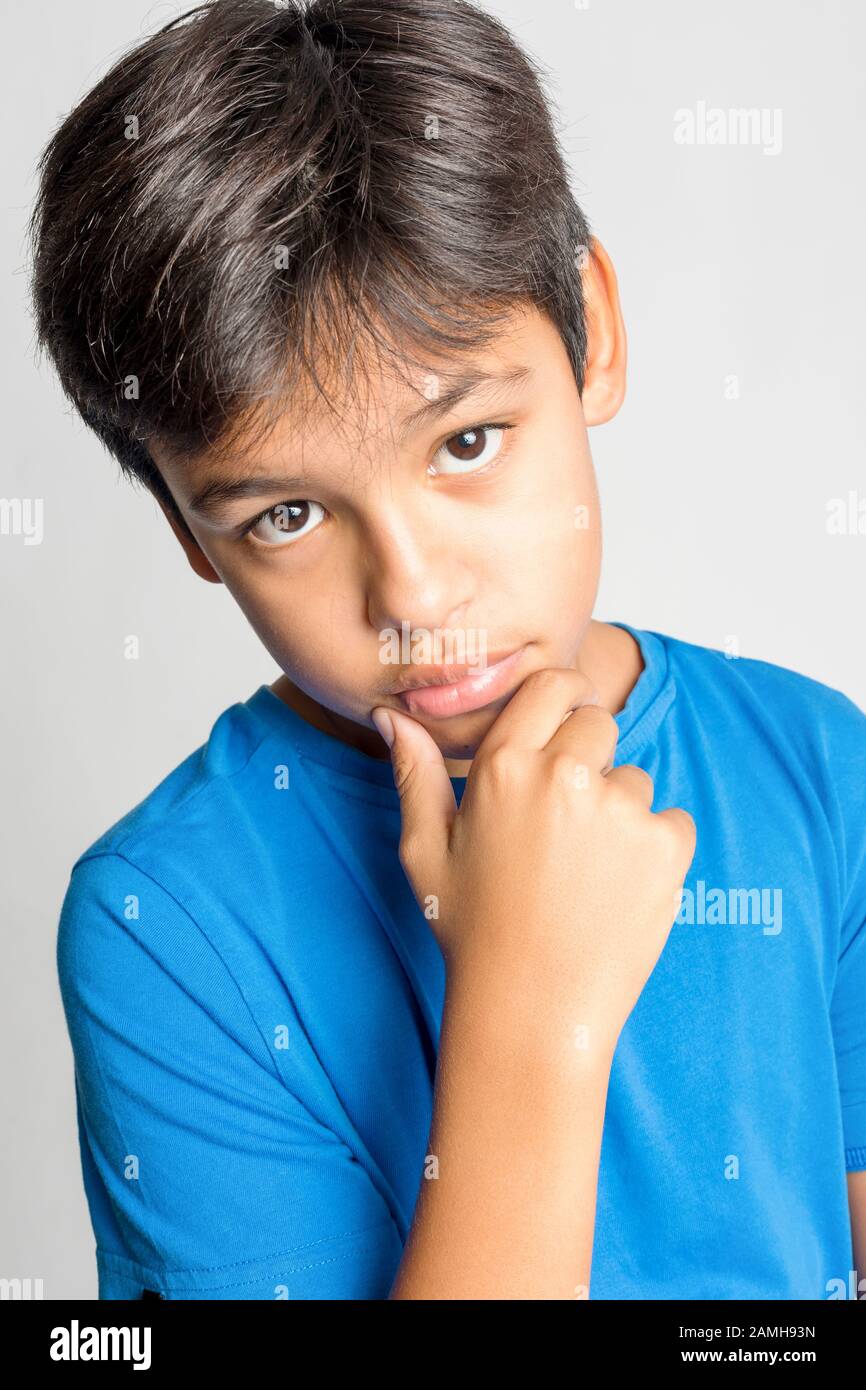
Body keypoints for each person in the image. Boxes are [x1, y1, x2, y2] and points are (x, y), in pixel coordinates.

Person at [32, 0, 866, 1299]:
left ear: (586, 328)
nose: (413, 591)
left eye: (466, 443)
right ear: (186, 527)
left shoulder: (817, 767)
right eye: (288, 515)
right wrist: (535, 1003)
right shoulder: (165, 926)